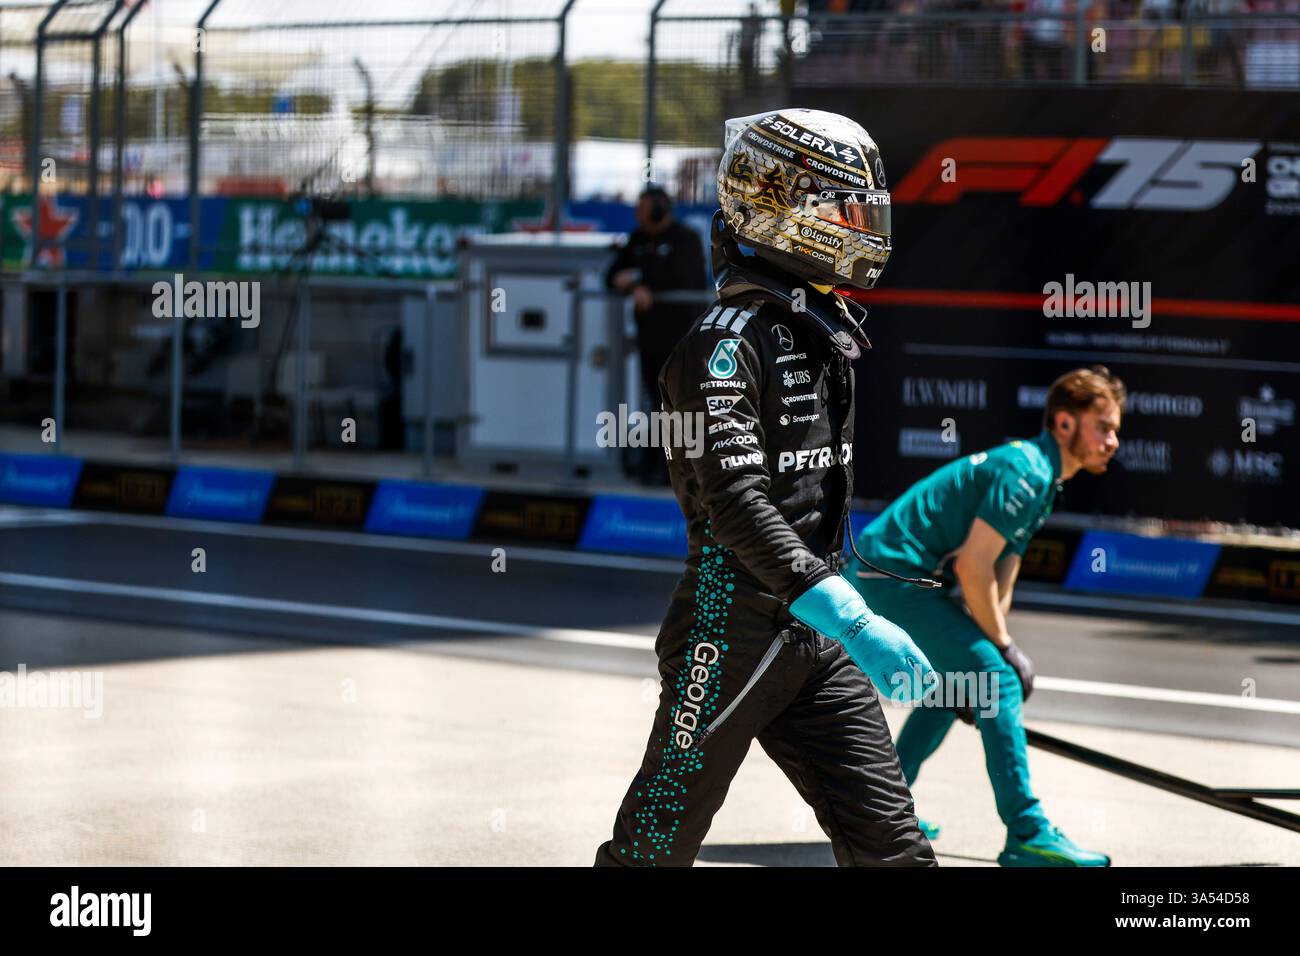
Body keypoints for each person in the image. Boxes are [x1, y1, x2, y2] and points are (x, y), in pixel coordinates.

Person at [595, 109, 939, 867]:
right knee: (654, 845)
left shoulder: (818, 324)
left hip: (815, 630)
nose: (866, 229)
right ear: (788, 209)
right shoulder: (722, 344)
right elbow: (738, 506)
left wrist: (842, 620)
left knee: (895, 849)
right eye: (849, 211)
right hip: (730, 624)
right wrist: (857, 621)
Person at [844, 365, 1126, 866]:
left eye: (1115, 429)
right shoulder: (1029, 472)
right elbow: (974, 567)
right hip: (888, 577)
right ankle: (1028, 833)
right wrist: (1002, 652)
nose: (1112, 440)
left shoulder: (1040, 475)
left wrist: (997, 637)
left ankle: (883, 813)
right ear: (1064, 424)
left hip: (897, 576)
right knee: (996, 682)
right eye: (1102, 426)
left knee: (952, 687)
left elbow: (1002, 566)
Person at [606, 186, 708, 484]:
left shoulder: (685, 239)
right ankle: (653, 466)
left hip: (681, 340)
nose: (638, 216)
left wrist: (640, 279)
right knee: (654, 403)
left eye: (643, 209)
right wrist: (631, 284)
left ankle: (680, 471)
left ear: (659, 209)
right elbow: (611, 275)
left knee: (680, 404)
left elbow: (686, 278)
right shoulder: (637, 240)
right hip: (649, 339)